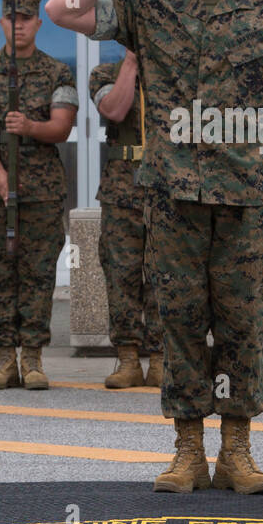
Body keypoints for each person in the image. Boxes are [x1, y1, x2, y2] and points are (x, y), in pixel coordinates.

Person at [46, 0, 263, 494]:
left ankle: (238, 451)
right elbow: (61, 8)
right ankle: (188, 450)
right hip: (172, 201)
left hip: (250, 201)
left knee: (244, 324)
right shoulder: (150, 12)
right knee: (181, 323)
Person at [0, 0, 78, 390]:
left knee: (39, 274)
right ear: (1, 23)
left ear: (38, 23)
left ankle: (34, 359)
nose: (20, 25)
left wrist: (30, 128)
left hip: (42, 191)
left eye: (27, 18)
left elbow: (62, 127)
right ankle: (4, 359)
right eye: (13, 18)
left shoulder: (58, 73)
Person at [89, 52, 163, 388]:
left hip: (166, 185)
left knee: (165, 274)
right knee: (122, 274)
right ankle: (128, 358)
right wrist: (132, 65)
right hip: (122, 187)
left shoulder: (175, 64)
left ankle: (163, 358)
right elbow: (115, 110)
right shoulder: (105, 73)